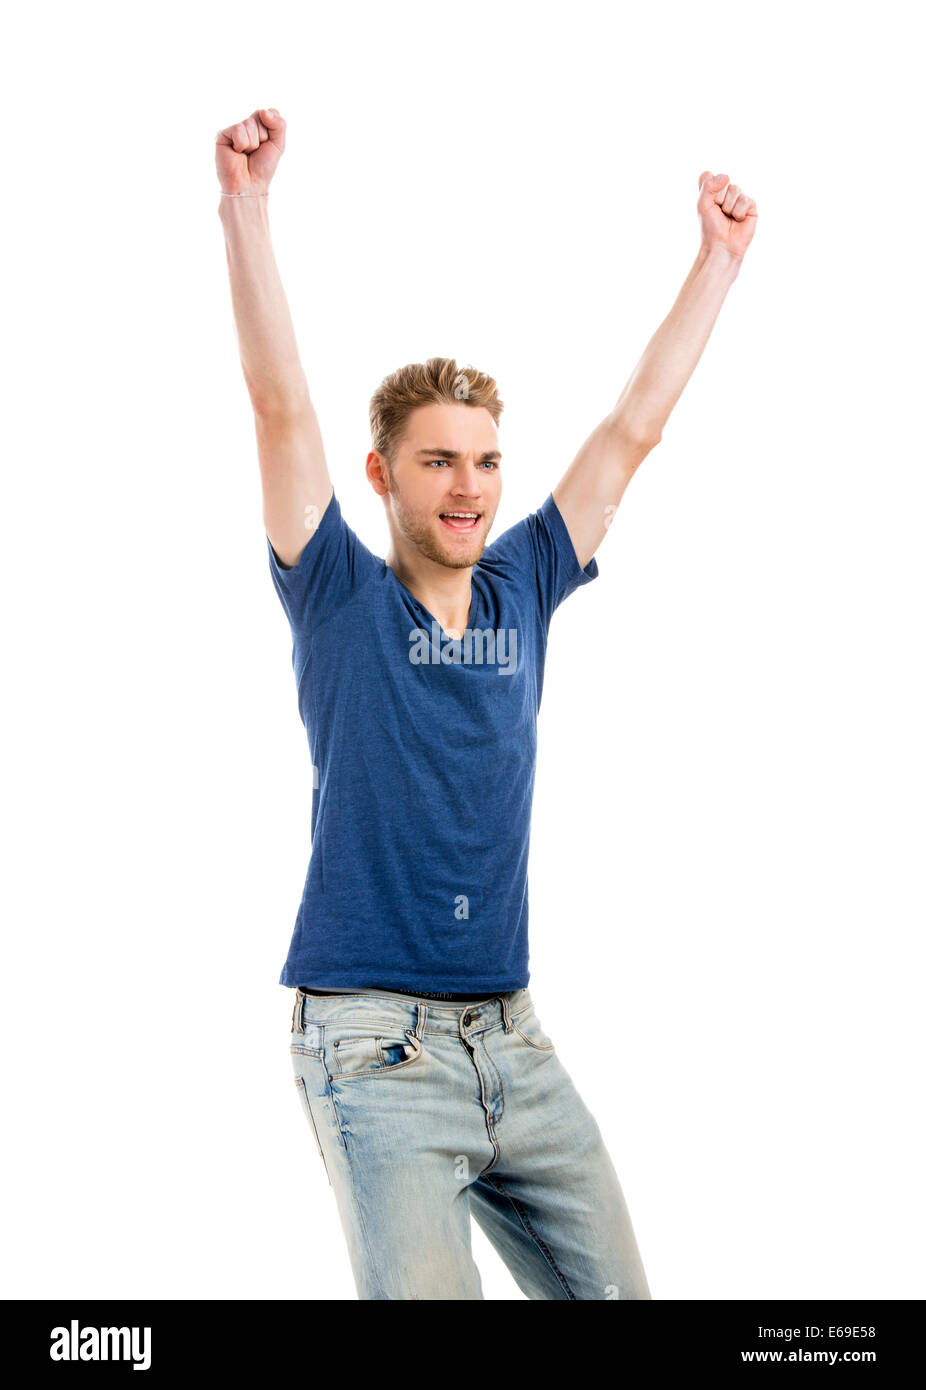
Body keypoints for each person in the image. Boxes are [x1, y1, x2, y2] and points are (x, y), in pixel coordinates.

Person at [216, 106, 757, 1301]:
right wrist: (246, 208)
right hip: (371, 1045)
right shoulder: (339, 597)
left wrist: (715, 263)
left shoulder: (523, 581)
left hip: (514, 1041)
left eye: (485, 460)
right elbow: (278, 405)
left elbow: (630, 431)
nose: (468, 487)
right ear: (382, 475)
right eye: (436, 460)